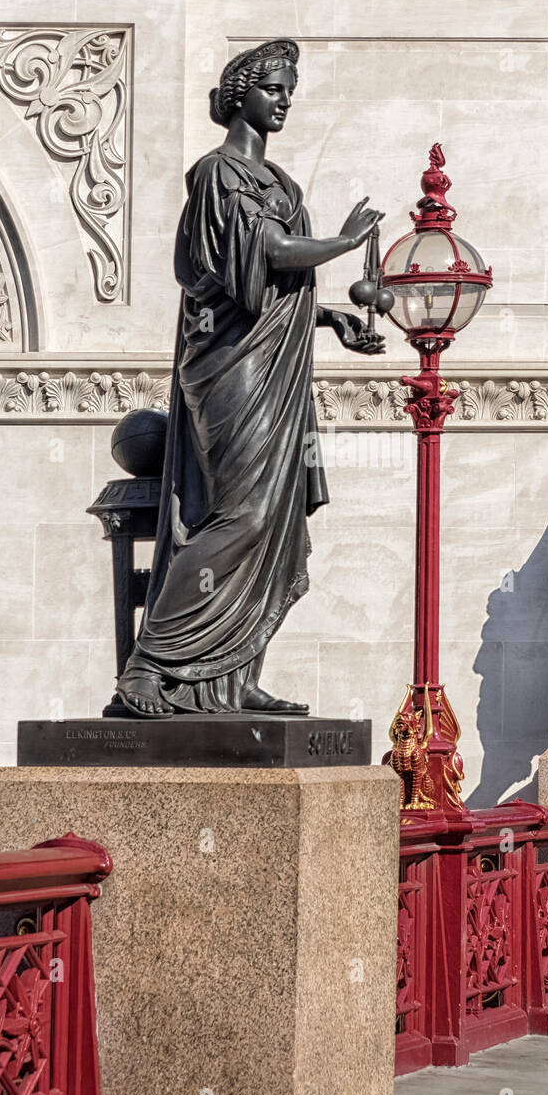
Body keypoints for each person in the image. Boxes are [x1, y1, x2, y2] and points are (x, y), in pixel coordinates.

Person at [115, 39, 383, 717]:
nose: (285, 99)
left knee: (279, 521)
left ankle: (230, 679)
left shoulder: (282, 185)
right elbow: (262, 254)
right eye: (274, 89)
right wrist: (346, 245)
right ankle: (148, 665)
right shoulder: (218, 175)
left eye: (290, 89)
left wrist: (329, 319)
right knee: (244, 512)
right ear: (241, 97)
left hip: (275, 366)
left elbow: (272, 286)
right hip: (230, 369)